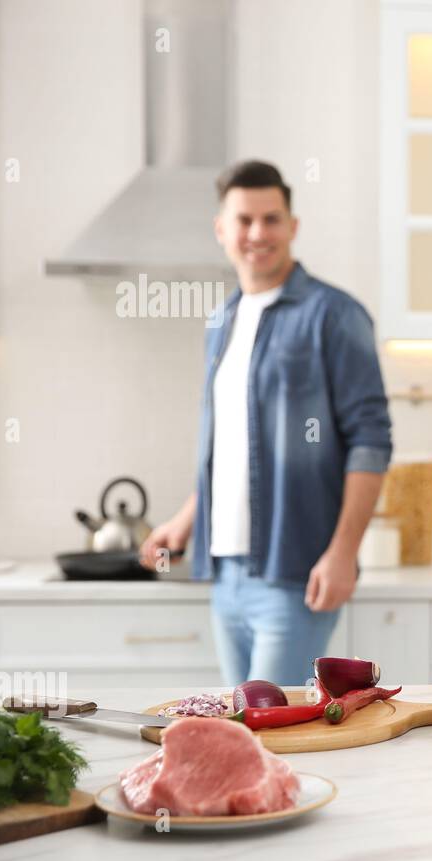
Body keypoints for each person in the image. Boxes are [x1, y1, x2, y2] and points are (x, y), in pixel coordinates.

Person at [139, 160, 392, 686]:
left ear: (292, 227)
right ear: (221, 229)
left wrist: (344, 552)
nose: (258, 233)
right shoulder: (223, 321)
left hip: (295, 572)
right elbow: (233, 448)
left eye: (271, 219)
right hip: (224, 574)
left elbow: (370, 440)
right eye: (245, 220)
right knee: (241, 733)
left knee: (272, 734)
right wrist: (183, 523)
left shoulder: (334, 315)